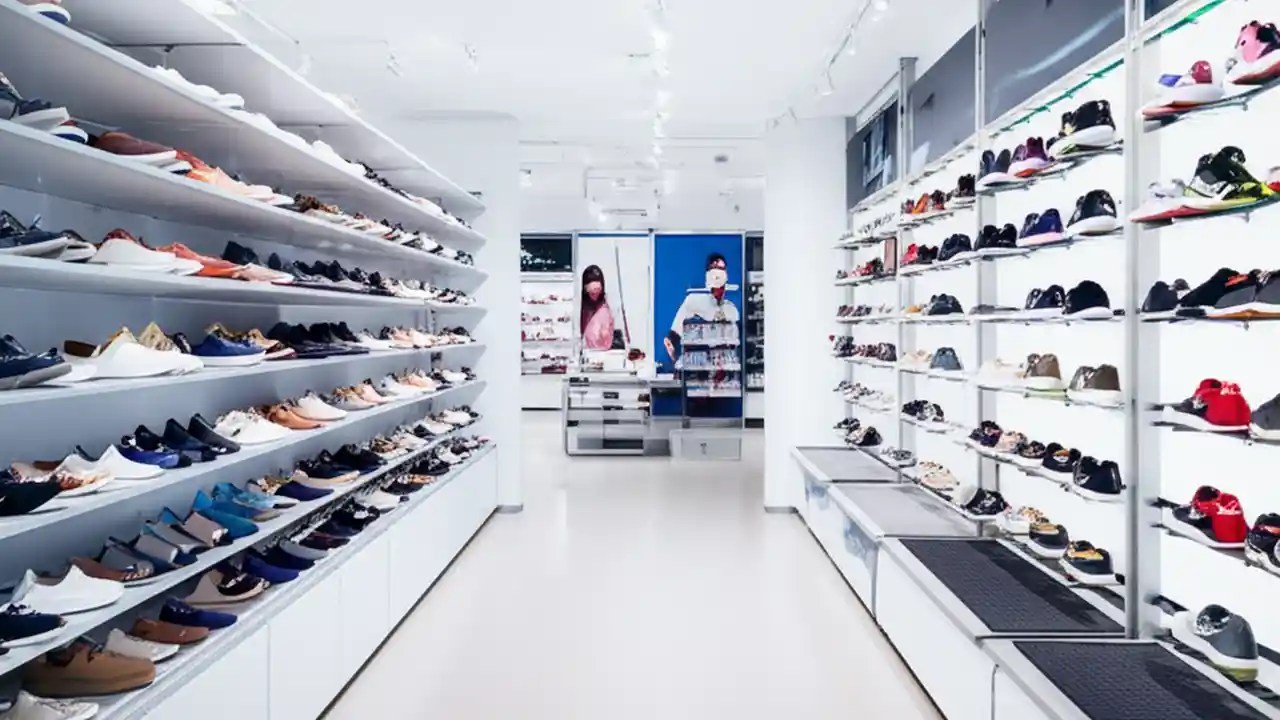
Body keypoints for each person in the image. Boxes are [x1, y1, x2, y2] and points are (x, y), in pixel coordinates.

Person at [664, 252, 740, 363]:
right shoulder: (694, 301)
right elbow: (672, 338)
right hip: (696, 367)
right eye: (714, 268)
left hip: (723, 369)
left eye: (721, 269)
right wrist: (677, 359)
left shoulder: (731, 310)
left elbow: (735, 345)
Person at [579, 264, 615, 350]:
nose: (595, 296)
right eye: (592, 293)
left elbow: (606, 341)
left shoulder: (604, 312)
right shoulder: (583, 308)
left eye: (598, 292)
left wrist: (605, 333)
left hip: (599, 353)